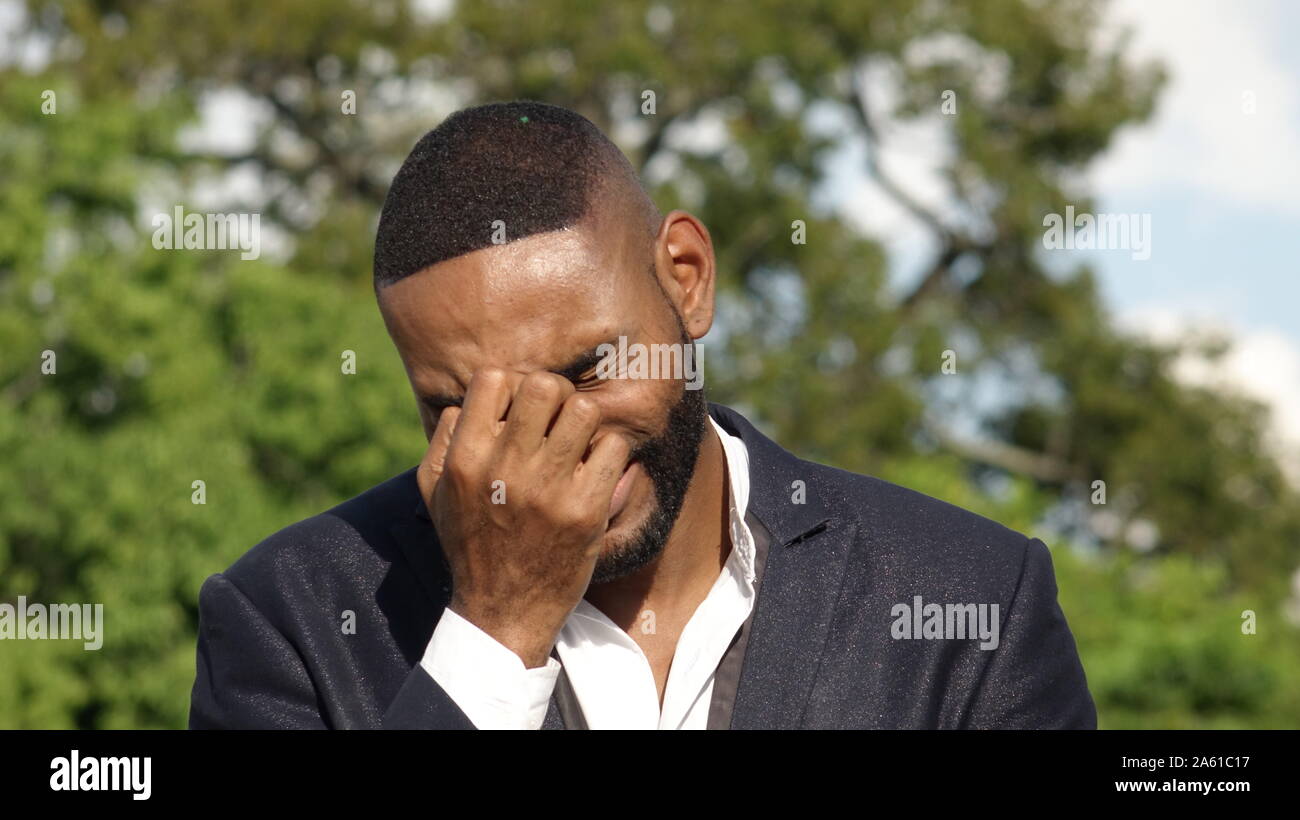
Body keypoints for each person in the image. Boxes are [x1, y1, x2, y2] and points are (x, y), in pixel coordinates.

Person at [189, 100, 1096, 729]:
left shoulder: (971, 600)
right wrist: (496, 636)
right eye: (462, 406)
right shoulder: (288, 621)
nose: (548, 440)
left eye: (589, 367)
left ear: (687, 280)